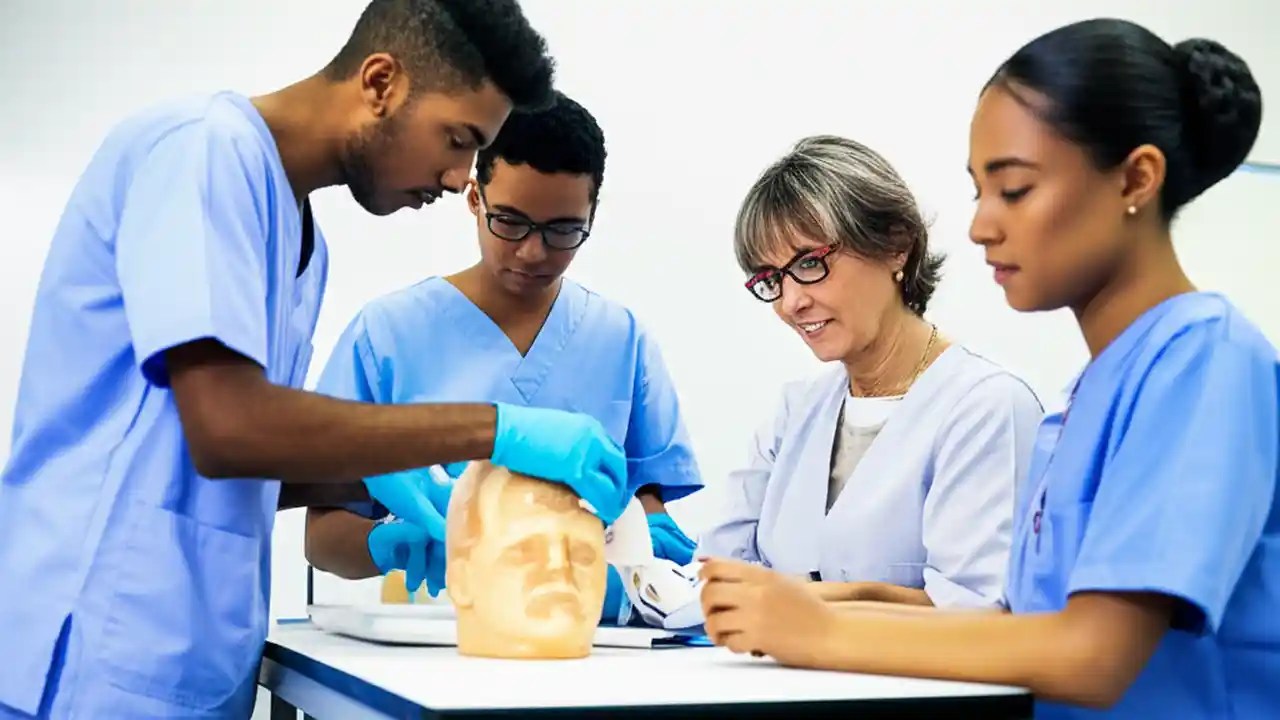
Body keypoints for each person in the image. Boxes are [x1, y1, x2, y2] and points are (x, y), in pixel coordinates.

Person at [0, 3, 634, 719]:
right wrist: (494, 428)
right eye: (458, 140)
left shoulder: (302, 241)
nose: (461, 179)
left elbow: (202, 464)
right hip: (91, 652)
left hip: (192, 661)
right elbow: (228, 429)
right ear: (380, 82)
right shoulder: (201, 152)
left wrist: (391, 503)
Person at [698, 18, 1276, 720]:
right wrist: (832, 602)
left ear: (1135, 178)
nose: (980, 226)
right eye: (978, 192)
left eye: (1015, 189)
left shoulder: (1205, 361)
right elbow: (1013, 627)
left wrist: (820, 629)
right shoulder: (1088, 396)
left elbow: (1093, 656)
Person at [304, 91, 702, 613]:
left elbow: (644, 509)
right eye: (509, 221)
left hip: (581, 635)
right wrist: (386, 545)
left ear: (592, 214)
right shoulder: (387, 335)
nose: (532, 251)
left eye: (562, 230)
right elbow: (322, 538)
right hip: (431, 639)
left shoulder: (620, 339)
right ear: (474, 197)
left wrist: (651, 548)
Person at [695, 135, 1043, 610]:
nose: (791, 301)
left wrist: (813, 604)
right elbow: (718, 575)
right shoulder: (796, 412)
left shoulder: (986, 407)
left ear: (896, 245)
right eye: (771, 279)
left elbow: (981, 610)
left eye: (811, 264)